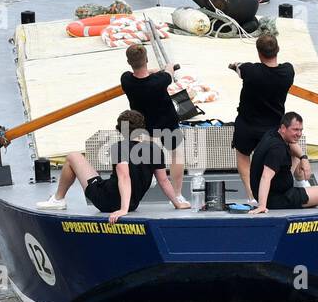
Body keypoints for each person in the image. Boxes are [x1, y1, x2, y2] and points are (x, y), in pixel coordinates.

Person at [36, 110, 191, 222]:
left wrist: (122, 210)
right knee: (94, 170)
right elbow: (164, 181)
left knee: (73, 157)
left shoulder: (120, 147)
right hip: (132, 204)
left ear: (119, 130)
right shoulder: (155, 149)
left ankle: (58, 199)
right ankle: (58, 199)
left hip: (107, 200)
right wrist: (177, 203)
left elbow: (124, 176)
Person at [229, 33, 295, 204]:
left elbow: (239, 68)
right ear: (277, 50)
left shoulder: (251, 71)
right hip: (273, 127)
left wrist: (235, 65)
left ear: (259, 53)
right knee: (275, 159)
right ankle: (274, 190)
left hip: (248, 125)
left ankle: (252, 196)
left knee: (243, 157)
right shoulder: (288, 71)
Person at [120, 44, 185, 196]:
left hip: (142, 127)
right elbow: (168, 73)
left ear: (129, 62)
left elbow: (140, 73)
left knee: (147, 153)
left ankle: (150, 175)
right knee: (177, 154)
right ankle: (177, 194)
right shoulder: (160, 80)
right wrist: (168, 66)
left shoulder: (126, 80)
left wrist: (151, 71)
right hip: (167, 124)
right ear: (147, 59)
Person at [249, 112, 318, 214]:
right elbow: (265, 177)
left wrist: (304, 158)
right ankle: (301, 191)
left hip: (275, 189)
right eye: (295, 130)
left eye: (301, 130)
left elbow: (294, 145)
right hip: (278, 198)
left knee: (293, 147)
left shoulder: (272, 133)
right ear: (283, 128)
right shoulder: (277, 149)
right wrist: (262, 206)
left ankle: (300, 182)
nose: (299, 134)